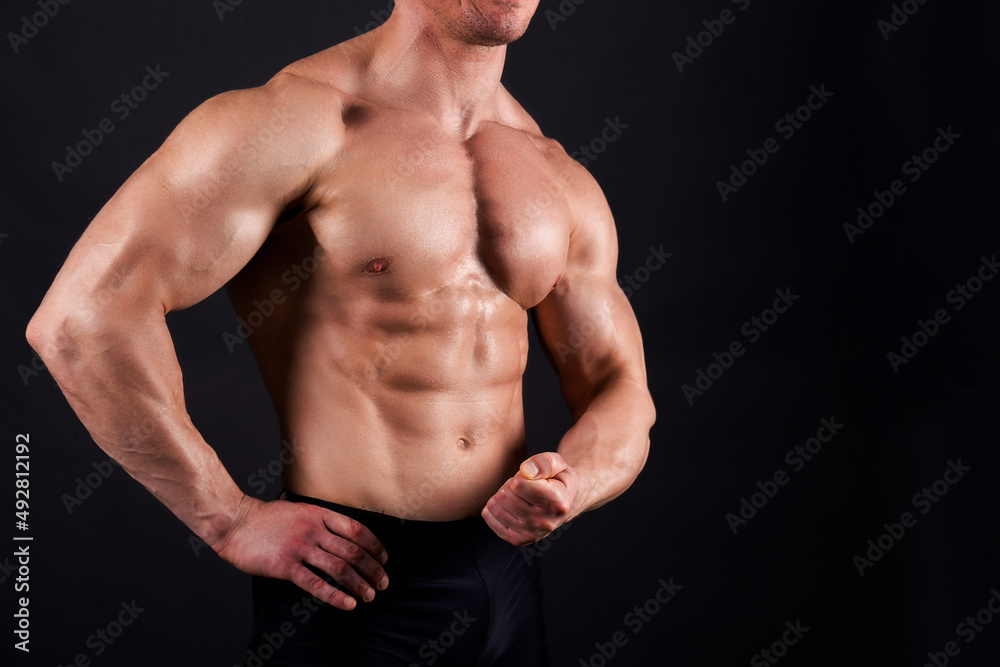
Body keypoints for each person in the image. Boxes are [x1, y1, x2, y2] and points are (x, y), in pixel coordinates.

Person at [25, 0, 656, 664]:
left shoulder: (555, 171)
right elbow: (81, 319)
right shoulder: (297, 122)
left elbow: (620, 388)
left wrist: (576, 483)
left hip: (510, 581)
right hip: (352, 580)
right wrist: (228, 517)